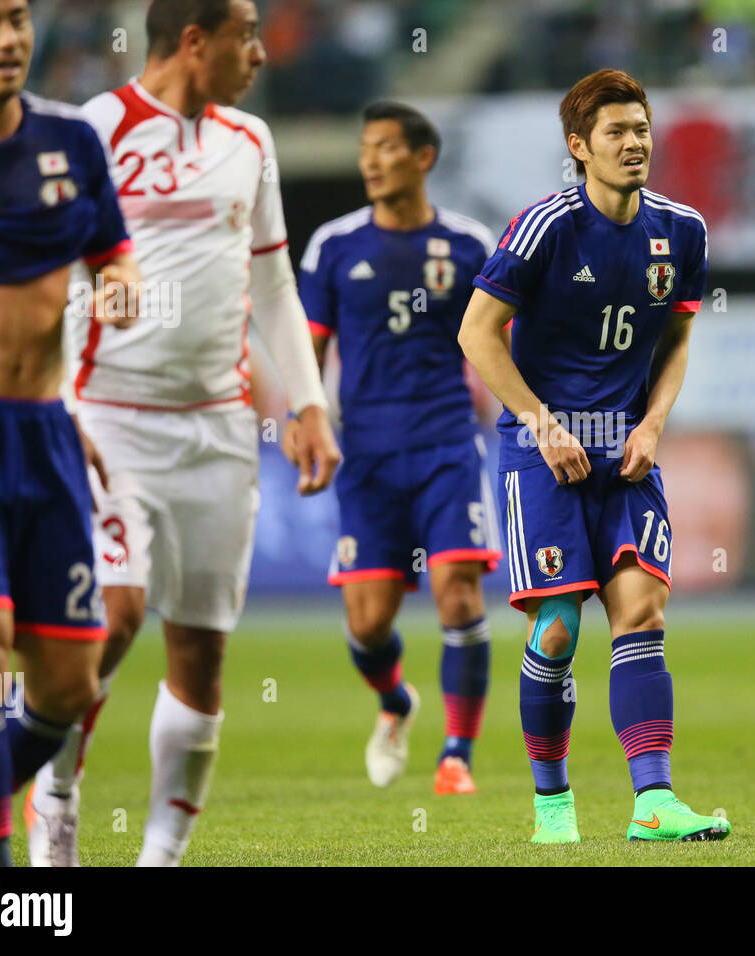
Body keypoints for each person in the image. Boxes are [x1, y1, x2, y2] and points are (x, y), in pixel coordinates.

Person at [26, 0, 340, 867]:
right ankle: (54, 799)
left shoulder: (251, 143)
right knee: (111, 618)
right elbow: (47, 274)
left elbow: (274, 285)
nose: (260, 54)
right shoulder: (94, 131)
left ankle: (160, 859)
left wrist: (307, 402)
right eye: (247, 36)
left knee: (200, 657)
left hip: (219, 430)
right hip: (108, 423)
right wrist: (47, 399)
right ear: (194, 40)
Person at [458, 68, 731, 843]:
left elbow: (678, 335)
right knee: (556, 631)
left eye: (641, 128)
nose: (634, 142)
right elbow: (477, 333)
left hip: (626, 451)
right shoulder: (544, 227)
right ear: (579, 147)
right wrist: (542, 423)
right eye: (615, 132)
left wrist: (654, 422)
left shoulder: (682, 231)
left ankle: (653, 801)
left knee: (641, 607)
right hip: (540, 450)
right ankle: (552, 802)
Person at [0, 0, 141, 867]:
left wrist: (119, 284)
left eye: (18, 19)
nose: (10, 38)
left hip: (46, 431)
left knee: (67, 683)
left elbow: (112, 251)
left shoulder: (71, 141)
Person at [297, 102, 502, 795]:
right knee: (368, 620)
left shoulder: (471, 244)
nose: (371, 161)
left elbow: (502, 333)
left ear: (423, 158)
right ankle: (395, 702)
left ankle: (457, 755)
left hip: (446, 441)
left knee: (458, 591)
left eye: (386, 147)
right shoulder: (333, 245)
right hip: (367, 453)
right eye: (365, 149)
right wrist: (307, 419)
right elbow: (307, 350)